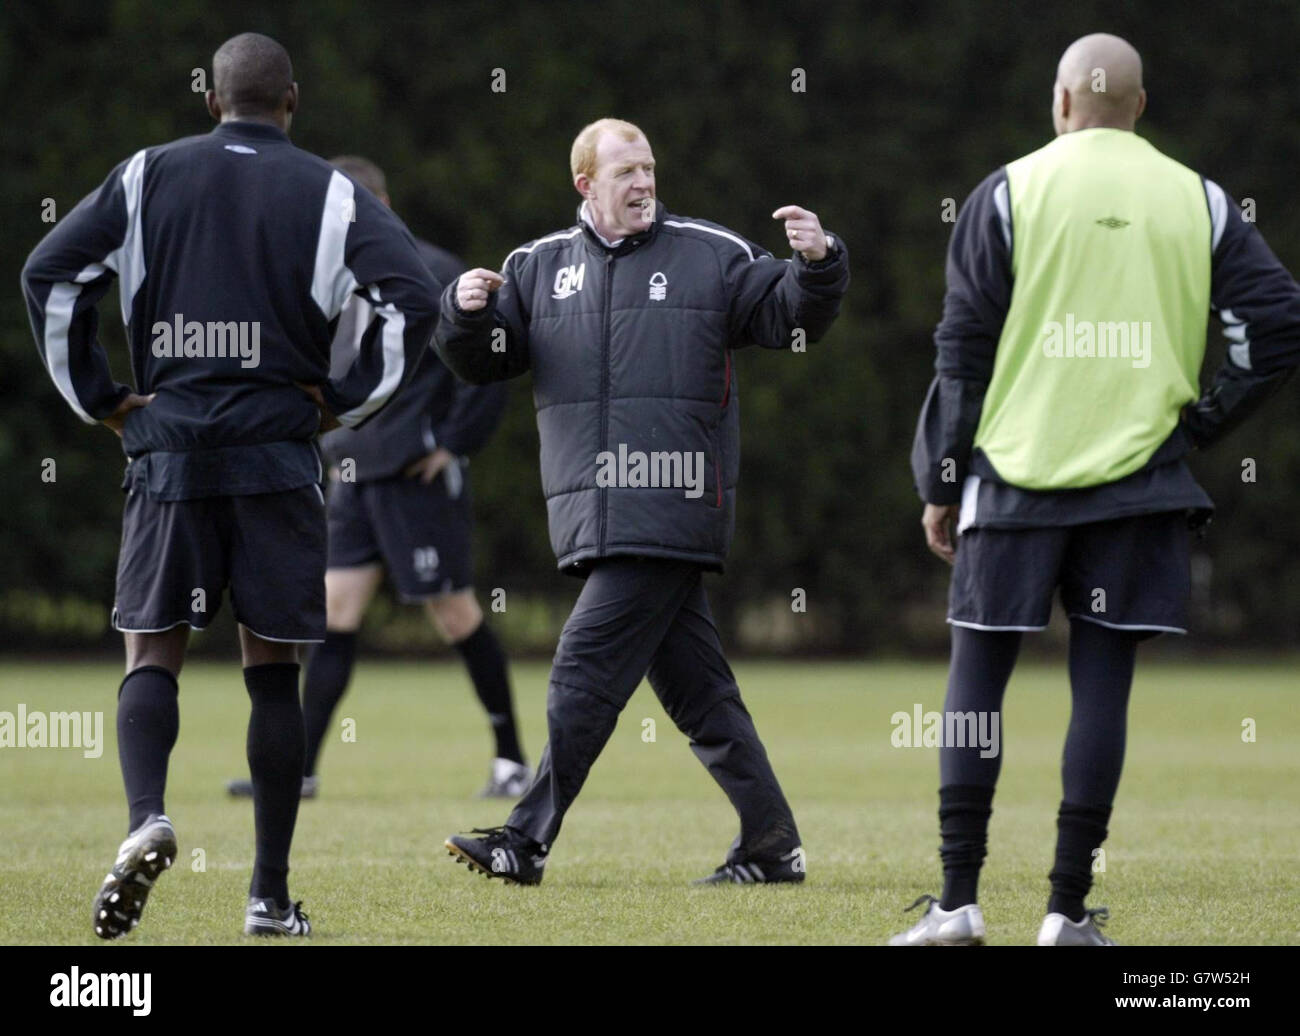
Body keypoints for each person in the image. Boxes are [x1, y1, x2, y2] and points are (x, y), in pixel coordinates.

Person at [21, 33, 438, 938]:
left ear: (212, 100)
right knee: (273, 673)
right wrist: (340, 403)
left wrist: (104, 401)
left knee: (151, 650)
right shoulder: (332, 190)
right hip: (277, 460)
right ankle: (269, 897)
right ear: (292, 100)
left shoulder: (143, 176)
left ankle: (147, 820)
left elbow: (47, 275)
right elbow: (415, 300)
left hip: (167, 453)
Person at [896, 33, 1300, 946]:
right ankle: (1065, 914)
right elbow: (1276, 326)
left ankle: (958, 906)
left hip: (1010, 481)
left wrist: (941, 477)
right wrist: (1196, 425)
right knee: (1102, 691)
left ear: (1061, 101)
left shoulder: (1007, 190)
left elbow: (961, 354)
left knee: (975, 682)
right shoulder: (1198, 198)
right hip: (1138, 489)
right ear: (1140, 108)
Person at [435, 118, 849, 886]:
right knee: (701, 697)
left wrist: (817, 266)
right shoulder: (537, 266)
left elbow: (788, 315)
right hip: (595, 512)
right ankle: (771, 843)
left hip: (669, 501)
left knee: (581, 670)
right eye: (625, 172)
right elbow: (486, 362)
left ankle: (523, 842)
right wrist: (462, 316)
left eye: (650, 169)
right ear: (586, 184)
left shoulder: (711, 254)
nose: (644, 184)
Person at [224, 156, 528, 802]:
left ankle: (512, 763)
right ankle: (299, 770)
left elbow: (493, 364)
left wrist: (451, 444)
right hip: (352, 474)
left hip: (414, 477)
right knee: (335, 612)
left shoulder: (436, 272)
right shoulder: (330, 279)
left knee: (454, 614)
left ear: (379, 207)